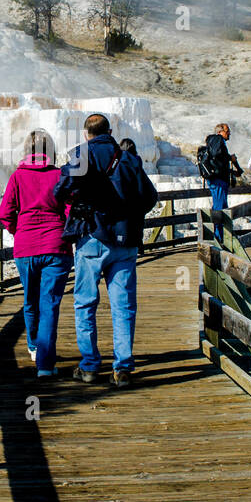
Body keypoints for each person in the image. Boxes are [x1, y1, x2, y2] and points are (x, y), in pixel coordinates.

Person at [54, 114, 158, 389]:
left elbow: (60, 190)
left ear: (86, 132)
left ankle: (89, 366)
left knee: (85, 302)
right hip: (125, 242)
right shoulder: (128, 158)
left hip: (91, 237)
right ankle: (122, 368)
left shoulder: (81, 155)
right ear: (110, 131)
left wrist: (78, 200)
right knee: (123, 305)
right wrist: (129, 217)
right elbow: (150, 197)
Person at [0, 130, 72, 378]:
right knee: (49, 304)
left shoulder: (17, 177)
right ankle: (45, 365)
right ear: (50, 150)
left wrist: (18, 231)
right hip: (56, 246)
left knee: (30, 300)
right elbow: (71, 209)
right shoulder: (59, 175)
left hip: (25, 248)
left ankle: (33, 347)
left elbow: (5, 212)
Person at [198, 122, 243, 241]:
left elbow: (218, 157)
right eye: (227, 131)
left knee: (220, 205)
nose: (229, 133)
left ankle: (221, 236)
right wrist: (230, 158)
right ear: (220, 132)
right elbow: (216, 154)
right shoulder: (217, 139)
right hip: (218, 180)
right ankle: (219, 238)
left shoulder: (215, 141)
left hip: (216, 179)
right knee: (220, 207)